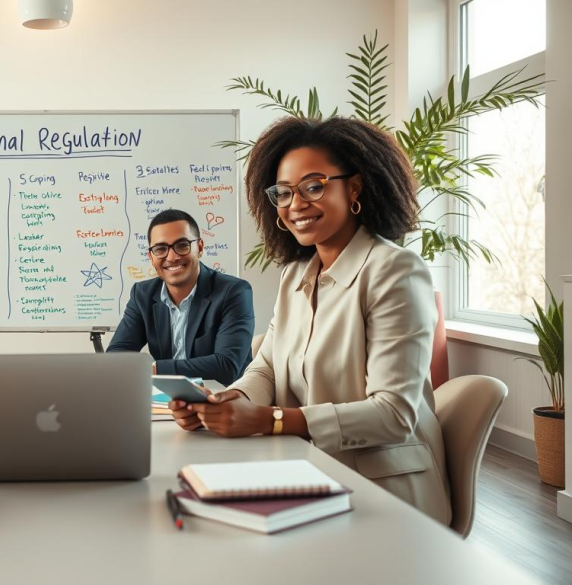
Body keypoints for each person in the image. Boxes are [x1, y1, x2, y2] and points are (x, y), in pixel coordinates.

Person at [169, 117, 451, 525]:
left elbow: (394, 414)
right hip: (307, 473)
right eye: (283, 193)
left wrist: (272, 419)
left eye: (313, 186)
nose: (295, 204)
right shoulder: (295, 276)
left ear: (353, 188)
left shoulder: (395, 271)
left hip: (386, 496)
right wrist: (230, 402)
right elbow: (265, 366)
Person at [107, 209, 254, 385]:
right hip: (168, 400)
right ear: (151, 257)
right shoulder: (142, 294)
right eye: (160, 249)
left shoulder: (234, 292)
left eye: (182, 245)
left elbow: (227, 366)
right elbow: (117, 355)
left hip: (224, 398)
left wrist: (153, 369)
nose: (172, 257)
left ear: (199, 248)